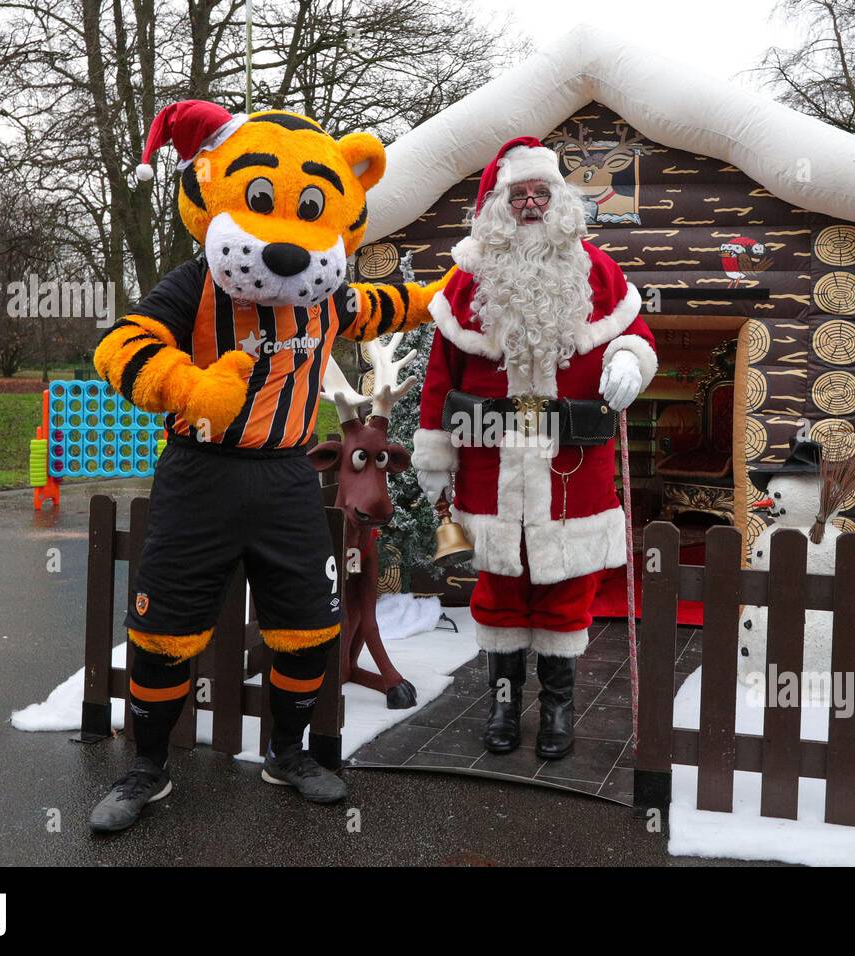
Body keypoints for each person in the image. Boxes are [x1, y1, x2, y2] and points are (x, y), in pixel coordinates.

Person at [87, 100, 450, 832]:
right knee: (164, 634)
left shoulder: (326, 298)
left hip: (287, 477)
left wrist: (452, 294)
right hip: (200, 474)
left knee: (306, 627)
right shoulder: (198, 285)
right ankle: (147, 768)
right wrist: (185, 385)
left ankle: (289, 752)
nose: (285, 241)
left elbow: (391, 305)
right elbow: (120, 346)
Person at [413, 136, 657, 760]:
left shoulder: (598, 271)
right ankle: (501, 704)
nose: (529, 204)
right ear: (499, 203)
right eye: (517, 194)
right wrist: (436, 454)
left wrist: (630, 360)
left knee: (565, 589)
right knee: (495, 587)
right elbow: (442, 377)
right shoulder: (467, 280)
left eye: (539, 193)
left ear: (559, 200)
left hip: (573, 466)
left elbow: (636, 333)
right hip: (489, 464)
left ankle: (556, 708)